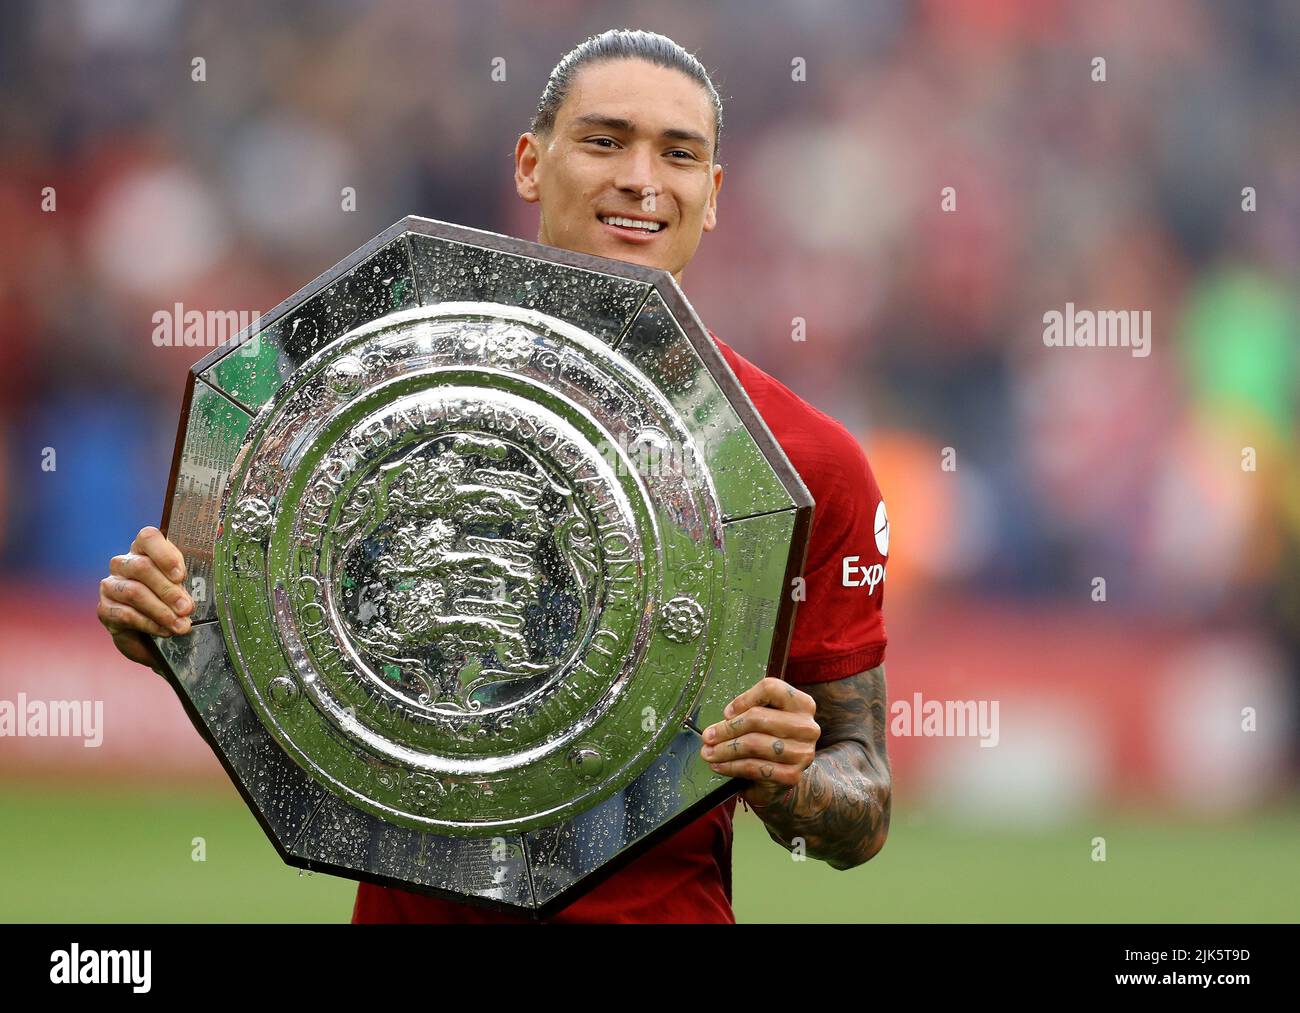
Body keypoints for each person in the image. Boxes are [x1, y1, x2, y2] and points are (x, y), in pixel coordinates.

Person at [97, 28, 892, 924]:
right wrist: (181, 627)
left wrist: (789, 781)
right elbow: (288, 664)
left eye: (679, 154)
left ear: (711, 197)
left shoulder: (807, 460)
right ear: (529, 162)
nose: (641, 177)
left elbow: (862, 807)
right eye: (604, 139)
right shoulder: (371, 390)